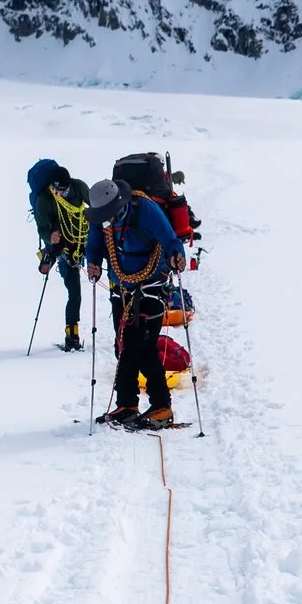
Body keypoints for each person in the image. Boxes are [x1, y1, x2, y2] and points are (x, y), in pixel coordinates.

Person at [86, 165, 182, 428]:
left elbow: (170, 239)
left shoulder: (144, 209)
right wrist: (93, 263)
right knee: (124, 346)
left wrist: (176, 256)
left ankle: (162, 406)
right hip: (121, 288)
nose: (105, 221)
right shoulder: (100, 218)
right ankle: (127, 405)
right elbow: (93, 246)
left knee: (144, 346)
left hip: (152, 284)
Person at [25, 157, 88, 349]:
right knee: (74, 291)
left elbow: (94, 205)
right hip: (63, 247)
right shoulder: (44, 200)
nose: (62, 193)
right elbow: (42, 228)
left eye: (65, 190)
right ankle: (72, 334)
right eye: (59, 190)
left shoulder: (79, 187)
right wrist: (50, 237)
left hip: (82, 238)